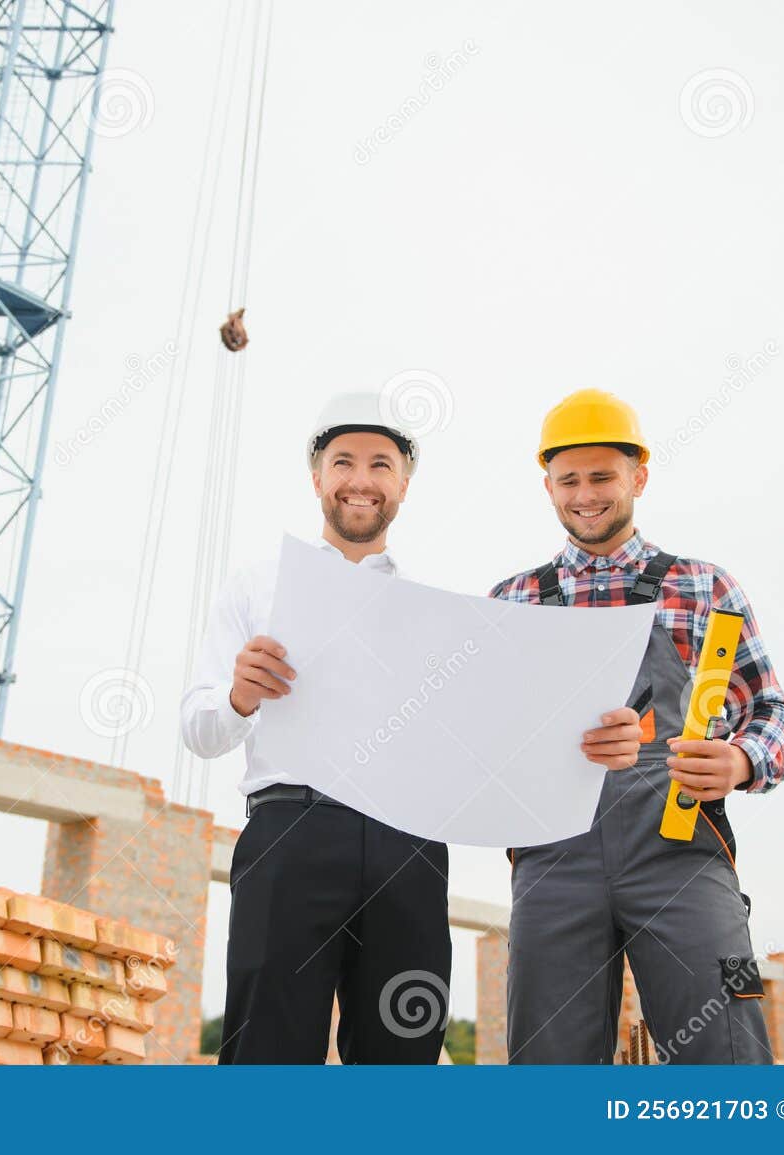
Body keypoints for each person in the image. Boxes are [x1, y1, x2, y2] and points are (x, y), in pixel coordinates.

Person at [180, 391, 643, 1064]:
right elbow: (200, 731)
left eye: (380, 464)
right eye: (343, 462)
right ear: (317, 477)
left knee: (402, 1050)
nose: (361, 479)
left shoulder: (441, 607)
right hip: (291, 835)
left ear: (403, 484)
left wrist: (599, 742)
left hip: (411, 847)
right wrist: (238, 696)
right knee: (268, 1043)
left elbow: (502, 731)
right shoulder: (257, 585)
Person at [490, 388, 784, 1064]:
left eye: (603, 475)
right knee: (547, 1067)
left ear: (639, 475)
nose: (586, 493)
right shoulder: (512, 601)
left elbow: (773, 711)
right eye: (568, 479)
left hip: (686, 858)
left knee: (731, 1050)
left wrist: (741, 760)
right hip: (552, 867)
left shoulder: (704, 586)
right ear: (547, 485)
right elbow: (480, 740)